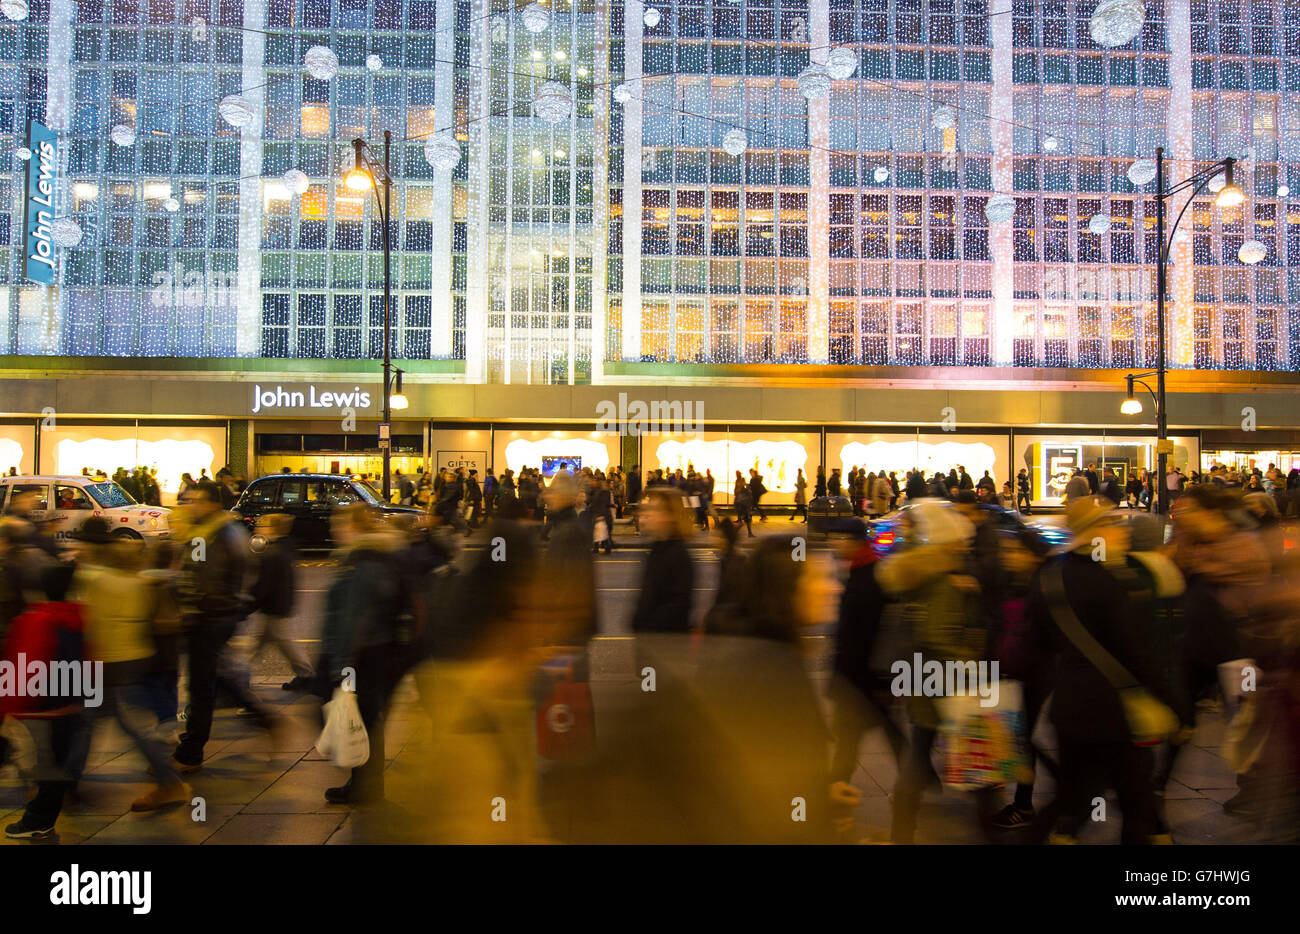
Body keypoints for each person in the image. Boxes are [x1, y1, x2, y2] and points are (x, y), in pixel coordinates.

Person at [1027, 497, 1178, 844]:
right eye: (1111, 524)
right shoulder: (1111, 580)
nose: (1120, 531)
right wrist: (1171, 702)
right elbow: (1136, 650)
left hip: (1069, 708)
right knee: (1135, 801)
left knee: (1072, 797)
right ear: (1093, 532)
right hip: (1115, 710)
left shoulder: (1048, 576)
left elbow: (1039, 642)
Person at [71, 518, 194, 810]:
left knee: (99, 723)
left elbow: (87, 612)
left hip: (109, 662)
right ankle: (65, 782)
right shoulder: (139, 582)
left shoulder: (100, 582)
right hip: (134, 658)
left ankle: (169, 782)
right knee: (102, 722)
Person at [172, 483, 278, 773]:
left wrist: (188, 606)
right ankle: (263, 718)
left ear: (212, 504)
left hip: (209, 618)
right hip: (222, 615)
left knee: (201, 686)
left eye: (196, 501)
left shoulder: (210, 535)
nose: (190, 505)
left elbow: (199, 580)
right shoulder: (226, 531)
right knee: (214, 676)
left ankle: (191, 751)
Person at [317, 503, 408, 804]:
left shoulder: (361, 563)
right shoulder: (381, 556)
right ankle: (366, 785)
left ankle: (364, 788)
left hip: (362, 656)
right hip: (379, 651)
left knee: (362, 720)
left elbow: (352, 619)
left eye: (339, 523)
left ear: (354, 528)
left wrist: (341, 665)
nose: (333, 529)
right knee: (368, 720)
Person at [1, 560, 94, 838]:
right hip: (67, 706)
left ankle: (37, 820)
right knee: (53, 766)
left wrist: (7, 706)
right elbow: (89, 659)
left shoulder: (37, 619)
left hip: (39, 710)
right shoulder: (79, 616)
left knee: (44, 766)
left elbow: (24, 663)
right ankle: (41, 819)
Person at [235, 512, 313, 692]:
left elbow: (263, 587)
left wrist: (246, 608)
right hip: (279, 606)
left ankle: (307, 676)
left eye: (262, 526)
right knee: (264, 645)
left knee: (281, 644)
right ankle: (306, 675)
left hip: (275, 608)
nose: (257, 529)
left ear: (272, 529)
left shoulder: (272, 553)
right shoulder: (285, 548)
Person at [629, 488, 695, 634]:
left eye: (654, 509)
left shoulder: (678, 554)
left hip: (664, 646)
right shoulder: (657, 548)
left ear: (669, 516)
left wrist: (644, 625)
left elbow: (678, 606)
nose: (646, 514)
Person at [732, 471, 754, 537]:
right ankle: (749, 533)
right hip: (743, 504)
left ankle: (748, 533)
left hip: (742, 504)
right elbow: (750, 498)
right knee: (746, 520)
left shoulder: (742, 489)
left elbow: (749, 497)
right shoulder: (744, 489)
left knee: (745, 520)